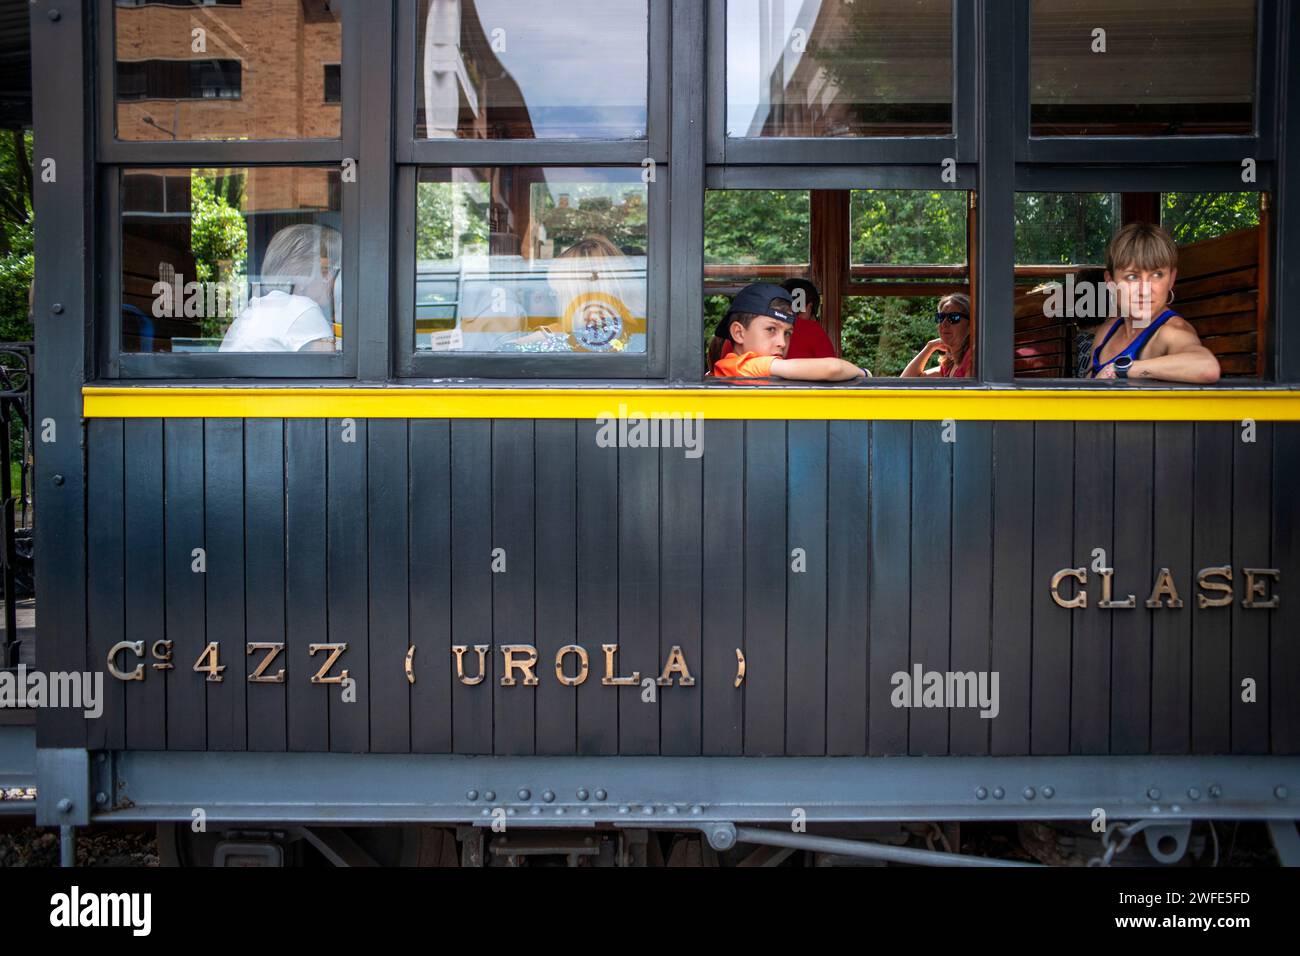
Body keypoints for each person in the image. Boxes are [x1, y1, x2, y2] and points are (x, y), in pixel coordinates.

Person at [1088, 223, 1220, 383]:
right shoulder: (1107, 332)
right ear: (1110, 282)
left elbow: (1207, 367)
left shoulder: (1171, 331)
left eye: (1157, 275)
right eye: (1132, 277)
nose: (1145, 290)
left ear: (1171, 279)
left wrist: (1122, 369)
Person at [707, 283, 866, 382]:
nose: (782, 343)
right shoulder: (746, 365)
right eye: (771, 329)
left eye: (787, 333)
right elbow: (833, 368)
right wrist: (863, 373)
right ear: (738, 333)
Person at [220, 223, 340, 353]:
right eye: (327, 270)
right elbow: (330, 367)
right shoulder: (303, 310)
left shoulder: (255, 310)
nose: (333, 279)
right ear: (300, 274)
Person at [900, 292, 974, 377]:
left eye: (953, 317)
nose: (944, 323)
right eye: (941, 317)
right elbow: (906, 381)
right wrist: (930, 346)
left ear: (970, 325)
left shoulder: (972, 359)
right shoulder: (950, 365)